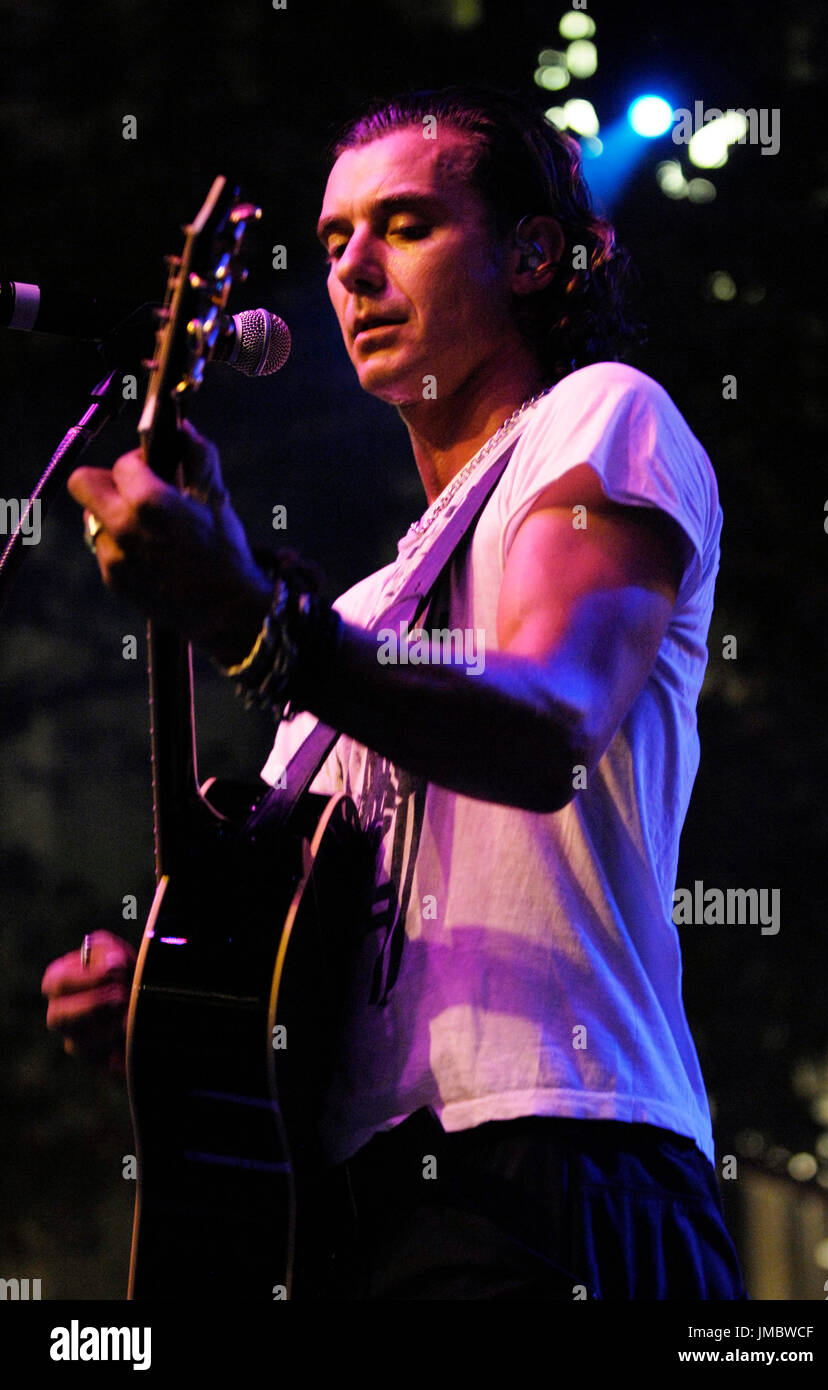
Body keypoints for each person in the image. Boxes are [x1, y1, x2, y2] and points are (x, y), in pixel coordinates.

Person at [42, 85, 747, 1300]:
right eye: (332, 243)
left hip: (559, 1151)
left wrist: (258, 621)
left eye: (405, 225)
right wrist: (157, 998)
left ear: (532, 255)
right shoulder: (358, 614)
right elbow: (264, 954)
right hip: (351, 1209)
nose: (355, 269)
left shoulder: (600, 418)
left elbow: (549, 721)